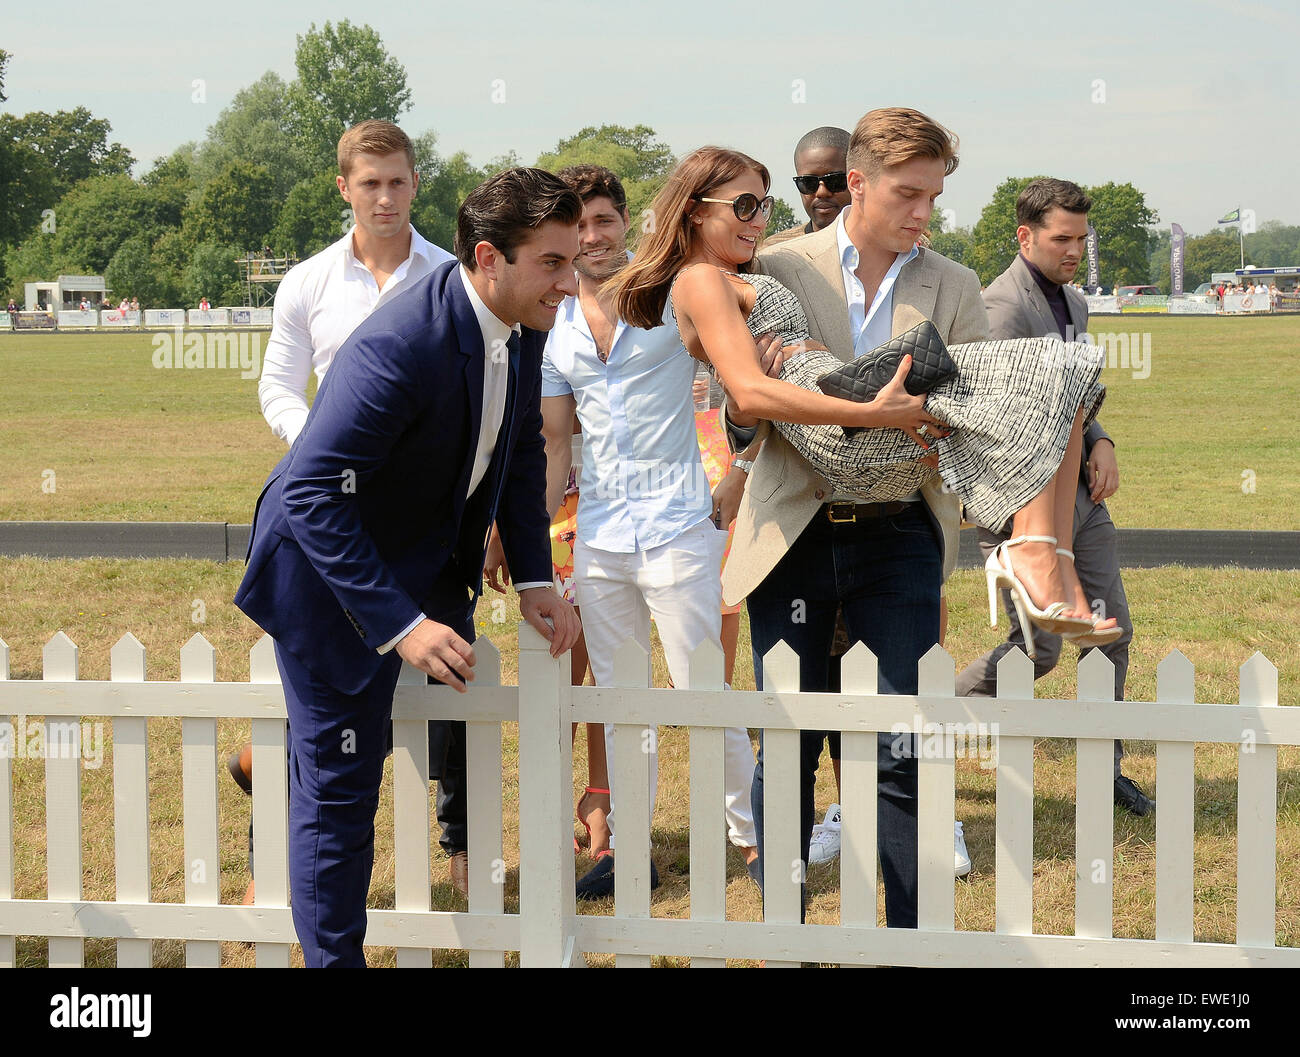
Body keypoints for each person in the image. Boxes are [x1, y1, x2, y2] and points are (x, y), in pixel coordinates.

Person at [608, 111, 1114, 929]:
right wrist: (829, 408)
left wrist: (927, 416)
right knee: (792, 742)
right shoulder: (770, 268)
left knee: (899, 750)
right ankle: (784, 936)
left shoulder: (951, 284)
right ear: (858, 183)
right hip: (793, 531)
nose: (924, 211)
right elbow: (741, 400)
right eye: (909, 193)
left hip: (900, 535)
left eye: (935, 195)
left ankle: (912, 939)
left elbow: (971, 406)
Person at [233, 167, 583, 967]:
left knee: (391, 738)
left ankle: (277, 752)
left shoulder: (522, 325)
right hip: (328, 579)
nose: (572, 279)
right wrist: (399, 623)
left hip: (419, 563)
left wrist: (533, 577)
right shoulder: (402, 344)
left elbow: (520, 447)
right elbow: (316, 492)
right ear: (489, 257)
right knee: (341, 792)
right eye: (553, 263)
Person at [234, 120, 460, 899]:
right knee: (330, 694)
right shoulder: (307, 281)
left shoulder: (450, 275)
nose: (387, 197)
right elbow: (276, 384)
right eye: (370, 184)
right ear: (344, 189)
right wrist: (319, 449)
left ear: (415, 182)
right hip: (328, 513)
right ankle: (281, 812)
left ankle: (452, 840)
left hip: (421, 515)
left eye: (398, 181)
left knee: (437, 677)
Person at [535, 164, 760, 899]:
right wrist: (531, 533)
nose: (592, 237)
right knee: (622, 700)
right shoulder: (555, 324)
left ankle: (753, 839)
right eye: (579, 225)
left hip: (677, 529)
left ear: (624, 224)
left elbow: (750, 373)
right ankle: (629, 851)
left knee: (704, 691)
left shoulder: (672, 297)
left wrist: (744, 467)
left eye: (603, 221)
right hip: (598, 539)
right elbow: (556, 444)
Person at [955, 178, 1151, 816]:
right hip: (1024, 507)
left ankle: (1106, 768)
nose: (1073, 250)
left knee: (1109, 632)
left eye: (1080, 239)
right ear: (1026, 235)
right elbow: (996, 416)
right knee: (1036, 652)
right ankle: (933, 720)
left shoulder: (1074, 302)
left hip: (1083, 503)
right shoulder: (996, 308)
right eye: (1061, 238)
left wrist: (1101, 438)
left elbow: (1075, 395)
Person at [766, 125, 853, 246]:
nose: (821, 192)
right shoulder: (775, 254)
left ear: (856, 181)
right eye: (809, 183)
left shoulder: (884, 249)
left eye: (835, 181)